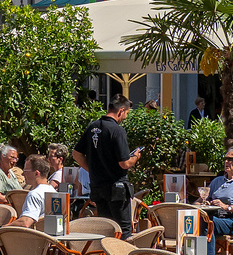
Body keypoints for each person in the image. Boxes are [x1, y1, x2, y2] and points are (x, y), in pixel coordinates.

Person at [73, 97, 142, 232]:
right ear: (121, 111)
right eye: (126, 113)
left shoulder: (92, 127)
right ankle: (121, 253)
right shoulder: (117, 130)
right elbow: (124, 163)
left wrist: (92, 169)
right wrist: (135, 157)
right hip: (116, 189)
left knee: (106, 228)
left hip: (98, 187)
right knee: (123, 229)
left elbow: (76, 154)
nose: (125, 117)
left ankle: (106, 253)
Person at [15, 153, 60, 227]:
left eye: (26, 171)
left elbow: (25, 222)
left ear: (36, 173)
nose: (23, 174)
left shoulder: (35, 194)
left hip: (34, 237)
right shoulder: (54, 192)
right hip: (50, 236)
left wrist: (3, 227)